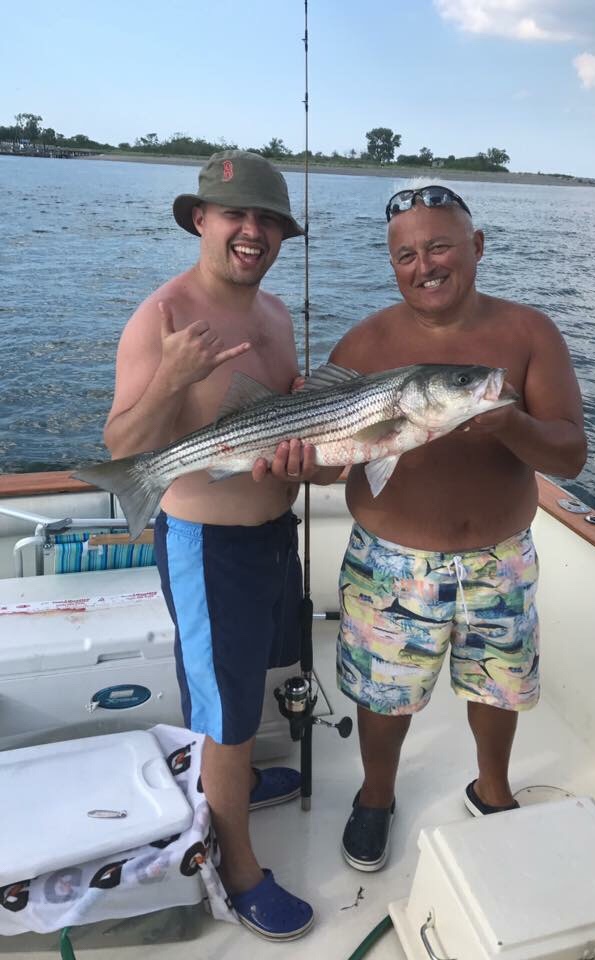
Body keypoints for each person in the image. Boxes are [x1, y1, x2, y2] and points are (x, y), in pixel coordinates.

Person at [328, 183, 588, 872]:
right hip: (390, 564)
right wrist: (300, 456)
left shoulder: (529, 335)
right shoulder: (364, 341)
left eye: (440, 245)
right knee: (385, 695)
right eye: (406, 254)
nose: (425, 265)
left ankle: (492, 787)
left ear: (476, 246)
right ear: (393, 266)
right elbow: (325, 467)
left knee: (498, 685)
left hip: (499, 559)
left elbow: (571, 453)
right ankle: (377, 794)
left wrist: (513, 424)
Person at [103, 150, 320, 940]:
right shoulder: (161, 317)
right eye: (236, 215)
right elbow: (124, 445)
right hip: (207, 545)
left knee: (253, 674)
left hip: (273, 534)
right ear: (201, 218)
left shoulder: (276, 315)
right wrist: (171, 375)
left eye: (268, 220)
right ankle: (236, 864)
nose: (252, 232)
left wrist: (303, 430)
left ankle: (231, 781)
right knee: (226, 711)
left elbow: (279, 421)